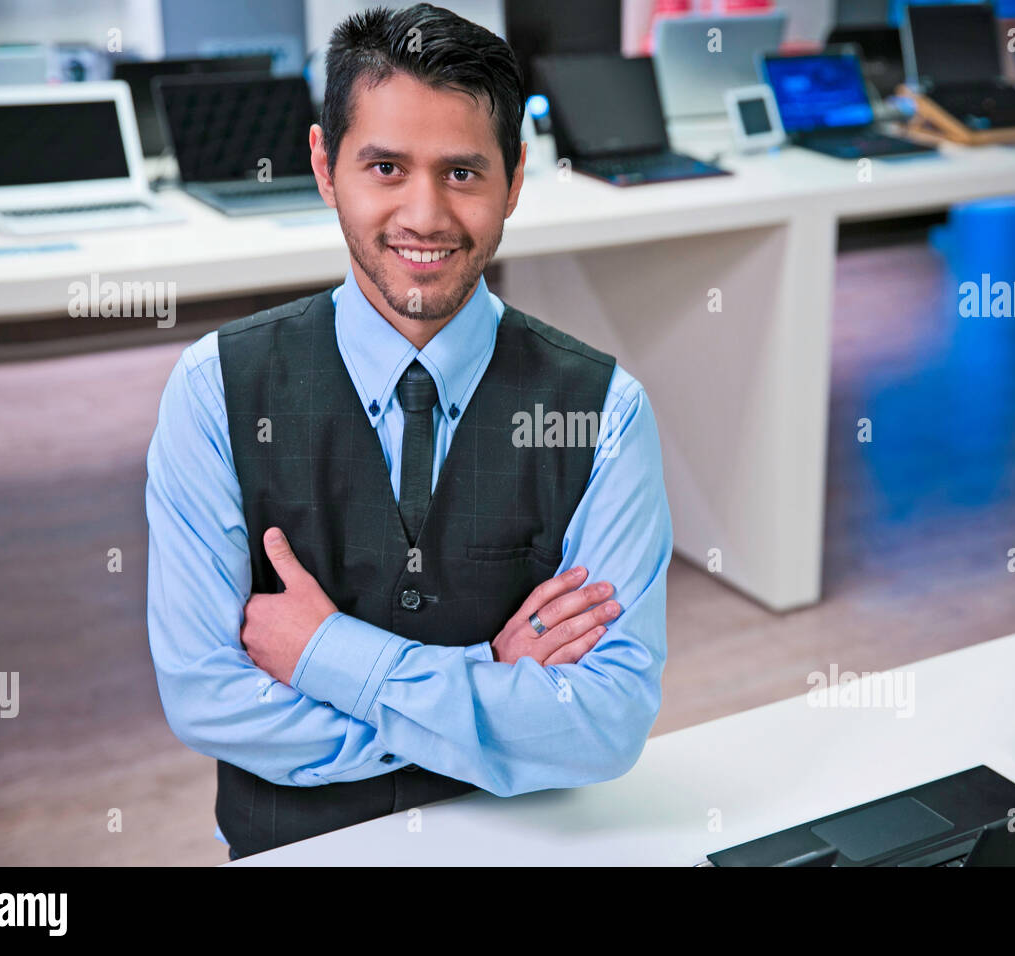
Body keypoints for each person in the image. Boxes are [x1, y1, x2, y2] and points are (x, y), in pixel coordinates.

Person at [145, 3, 673, 860]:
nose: (424, 215)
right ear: (324, 166)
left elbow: (606, 724)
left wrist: (324, 654)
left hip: (527, 846)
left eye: (462, 173)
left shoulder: (607, 411)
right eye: (385, 166)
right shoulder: (214, 391)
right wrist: (492, 697)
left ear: (515, 178)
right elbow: (208, 699)